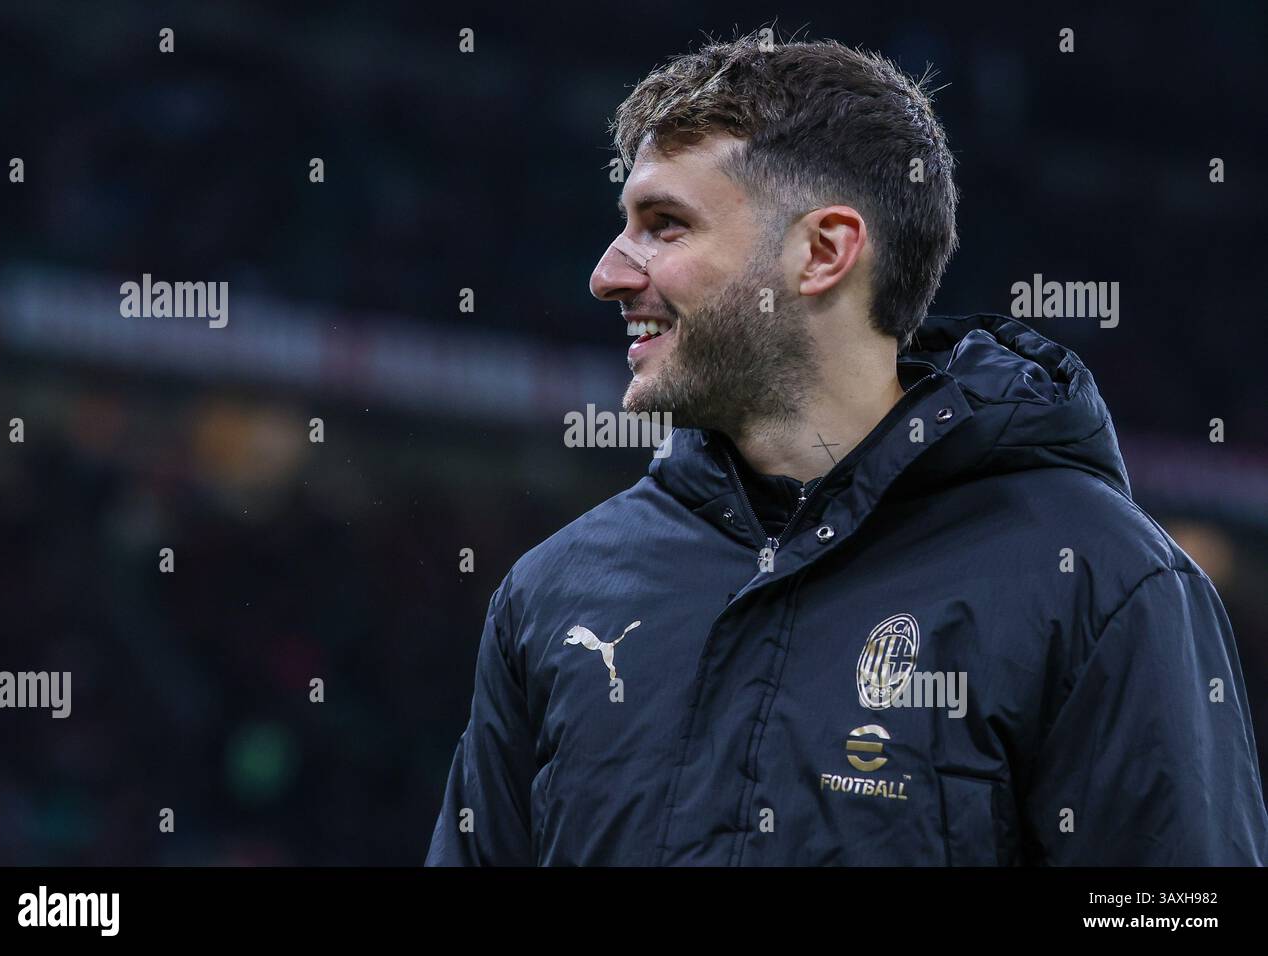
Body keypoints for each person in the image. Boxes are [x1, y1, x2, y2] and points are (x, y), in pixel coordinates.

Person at [425, 31, 1268, 865]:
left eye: (665, 226)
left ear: (824, 252)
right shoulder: (554, 593)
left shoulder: (1101, 583)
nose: (609, 272)